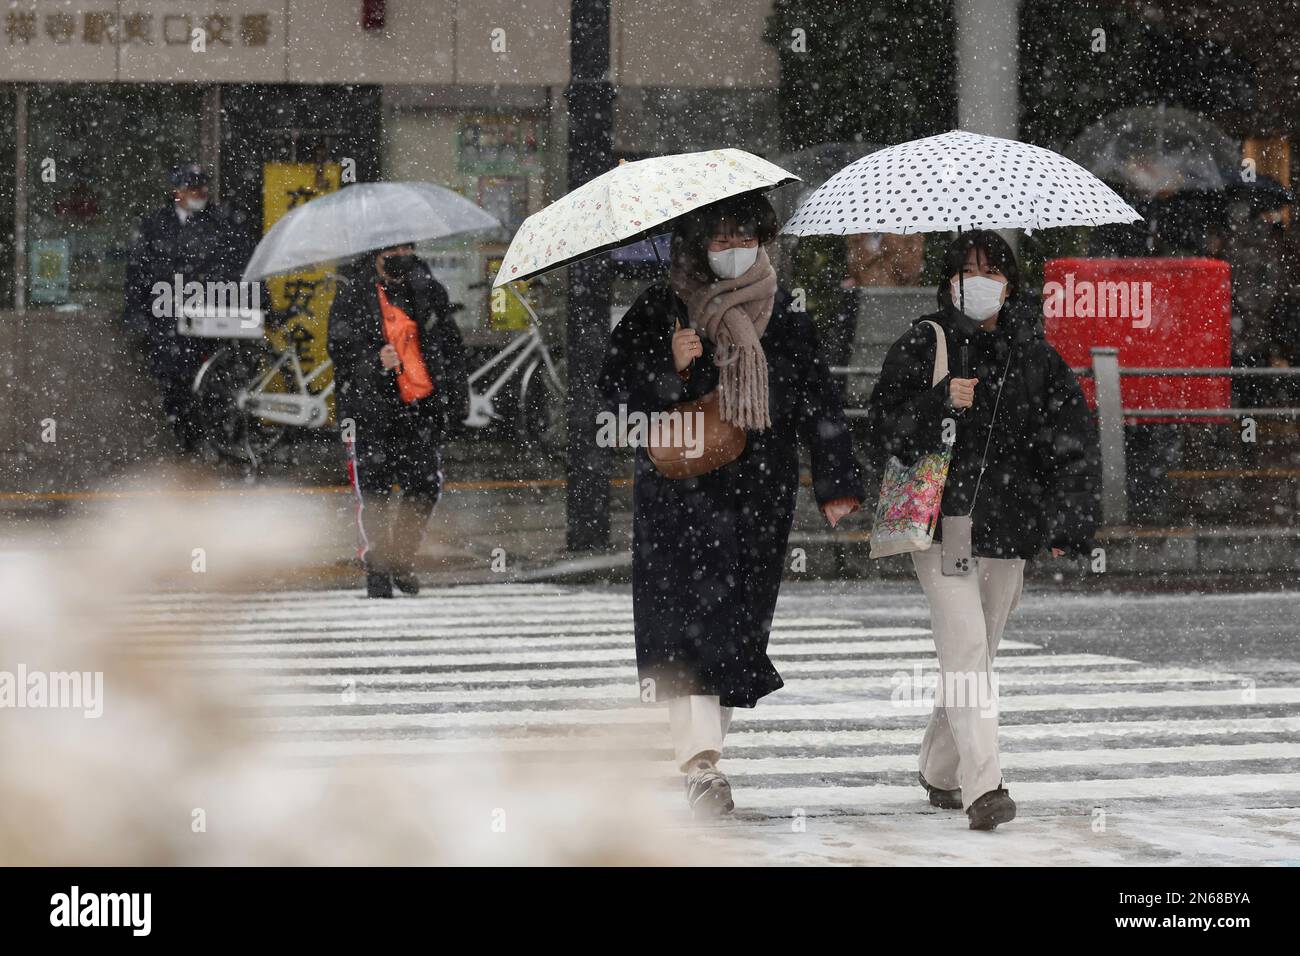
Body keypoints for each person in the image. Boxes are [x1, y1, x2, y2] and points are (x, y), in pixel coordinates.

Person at [598, 192, 865, 818]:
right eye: (720, 239)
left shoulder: (788, 320)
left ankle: (703, 759)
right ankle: (700, 764)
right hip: (677, 497)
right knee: (685, 625)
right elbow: (611, 389)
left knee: (734, 633)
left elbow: (819, 404)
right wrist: (668, 367)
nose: (734, 248)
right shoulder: (660, 311)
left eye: (746, 236)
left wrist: (837, 481)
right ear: (696, 246)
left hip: (757, 501)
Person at [865, 231, 1100, 830]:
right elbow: (883, 430)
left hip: (1009, 529)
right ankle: (984, 785)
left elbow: (1071, 440)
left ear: (1010, 283)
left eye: (992, 271)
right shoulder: (926, 342)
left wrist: (1072, 516)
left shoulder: (1035, 356)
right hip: (946, 525)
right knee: (967, 649)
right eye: (968, 272)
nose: (980, 282)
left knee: (975, 654)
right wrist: (940, 401)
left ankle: (941, 771)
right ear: (949, 284)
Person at [327, 245, 469, 599]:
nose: (402, 254)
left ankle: (401, 556)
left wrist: (455, 398)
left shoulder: (427, 289)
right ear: (377, 252)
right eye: (395, 248)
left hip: (419, 406)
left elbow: (450, 346)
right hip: (370, 408)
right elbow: (339, 353)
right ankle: (378, 570)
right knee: (373, 491)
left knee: (424, 484)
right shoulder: (353, 294)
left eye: (408, 247)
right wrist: (374, 361)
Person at [120, 162, 254, 451]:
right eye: (193, 187)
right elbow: (138, 273)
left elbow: (241, 265)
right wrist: (136, 313)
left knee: (216, 382)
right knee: (174, 384)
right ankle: (188, 441)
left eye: (203, 186)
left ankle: (217, 441)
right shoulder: (155, 224)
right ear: (176, 191)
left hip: (211, 317)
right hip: (167, 320)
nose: (200, 192)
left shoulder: (222, 222)